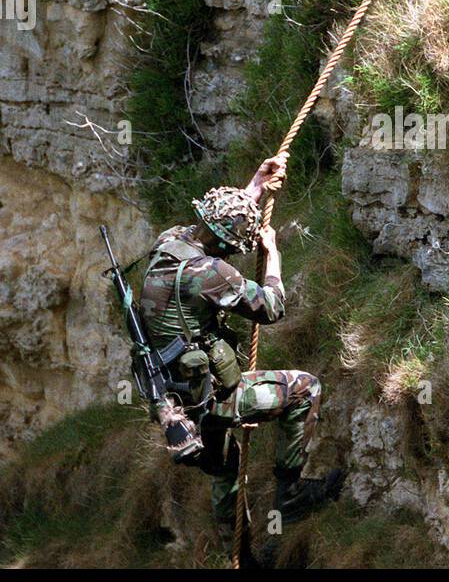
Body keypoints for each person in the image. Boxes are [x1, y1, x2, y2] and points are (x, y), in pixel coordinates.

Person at [139, 152, 341, 537]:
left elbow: (218, 224)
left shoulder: (171, 241)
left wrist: (256, 187)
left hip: (175, 395)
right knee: (306, 388)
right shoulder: (210, 273)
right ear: (222, 243)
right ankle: (290, 495)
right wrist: (273, 257)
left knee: (225, 468)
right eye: (232, 245)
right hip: (211, 398)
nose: (234, 251)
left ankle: (240, 553)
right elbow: (272, 307)